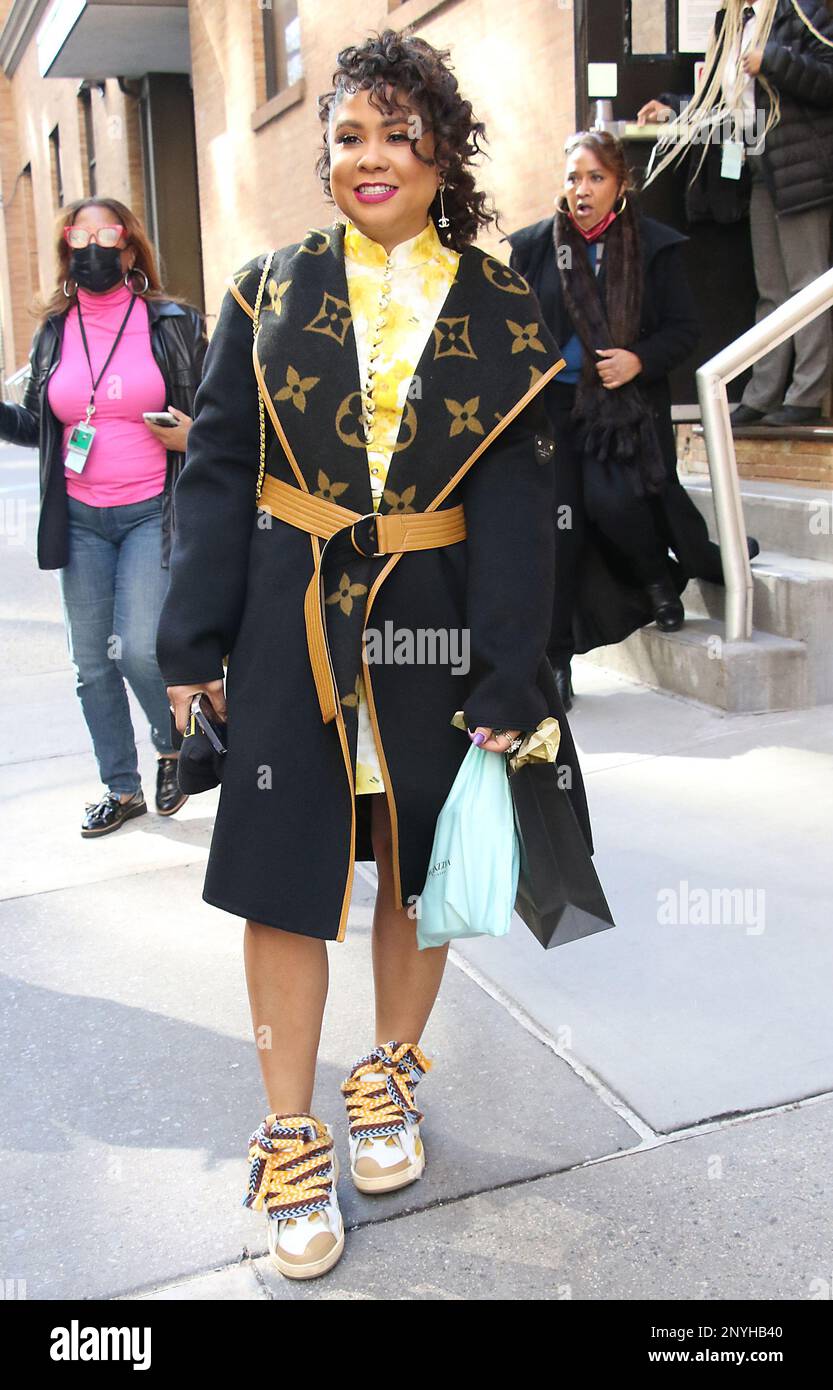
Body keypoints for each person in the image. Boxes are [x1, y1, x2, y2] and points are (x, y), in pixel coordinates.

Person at [156, 30, 591, 1281]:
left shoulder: (504, 303)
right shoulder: (264, 289)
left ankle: (387, 1077)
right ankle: (290, 1131)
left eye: (400, 133)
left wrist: (514, 668)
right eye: (348, 135)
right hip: (292, 613)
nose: (371, 157)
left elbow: (518, 498)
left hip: (439, 612)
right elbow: (220, 467)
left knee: (416, 863)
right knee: (279, 872)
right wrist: (191, 638)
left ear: (443, 150)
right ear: (327, 154)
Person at [509, 132, 758, 708]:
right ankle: (558, 661)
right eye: (573, 178)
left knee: (615, 504)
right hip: (556, 414)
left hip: (625, 412)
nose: (582, 190)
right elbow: (515, 333)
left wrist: (639, 359)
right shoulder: (534, 249)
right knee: (559, 537)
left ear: (622, 184)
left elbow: (685, 331)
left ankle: (657, 580)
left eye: (595, 177)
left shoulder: (652, 245)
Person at [0, 198, 207, 835]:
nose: (93, 245)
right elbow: (40, 422)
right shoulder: (54, 330)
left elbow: (219, 413)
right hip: (81, 518)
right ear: (66, 246)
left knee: (141, 649)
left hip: (152, 510)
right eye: (79, 234)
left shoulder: (170, 321)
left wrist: (194, 436)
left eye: (107, 233)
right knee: (91, 663)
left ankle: (170, 746)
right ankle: (120, 788)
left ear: (128, 246)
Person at [639, 0, 833, 428]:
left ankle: (806, 394)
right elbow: (724, 100)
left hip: (802, 166)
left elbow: (828, 75)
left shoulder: (798, 9)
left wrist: (774, 61)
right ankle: (764, 393)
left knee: (808, 287)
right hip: (762, 166)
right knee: (772, 290)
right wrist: (675, 107)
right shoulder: (730, 20)